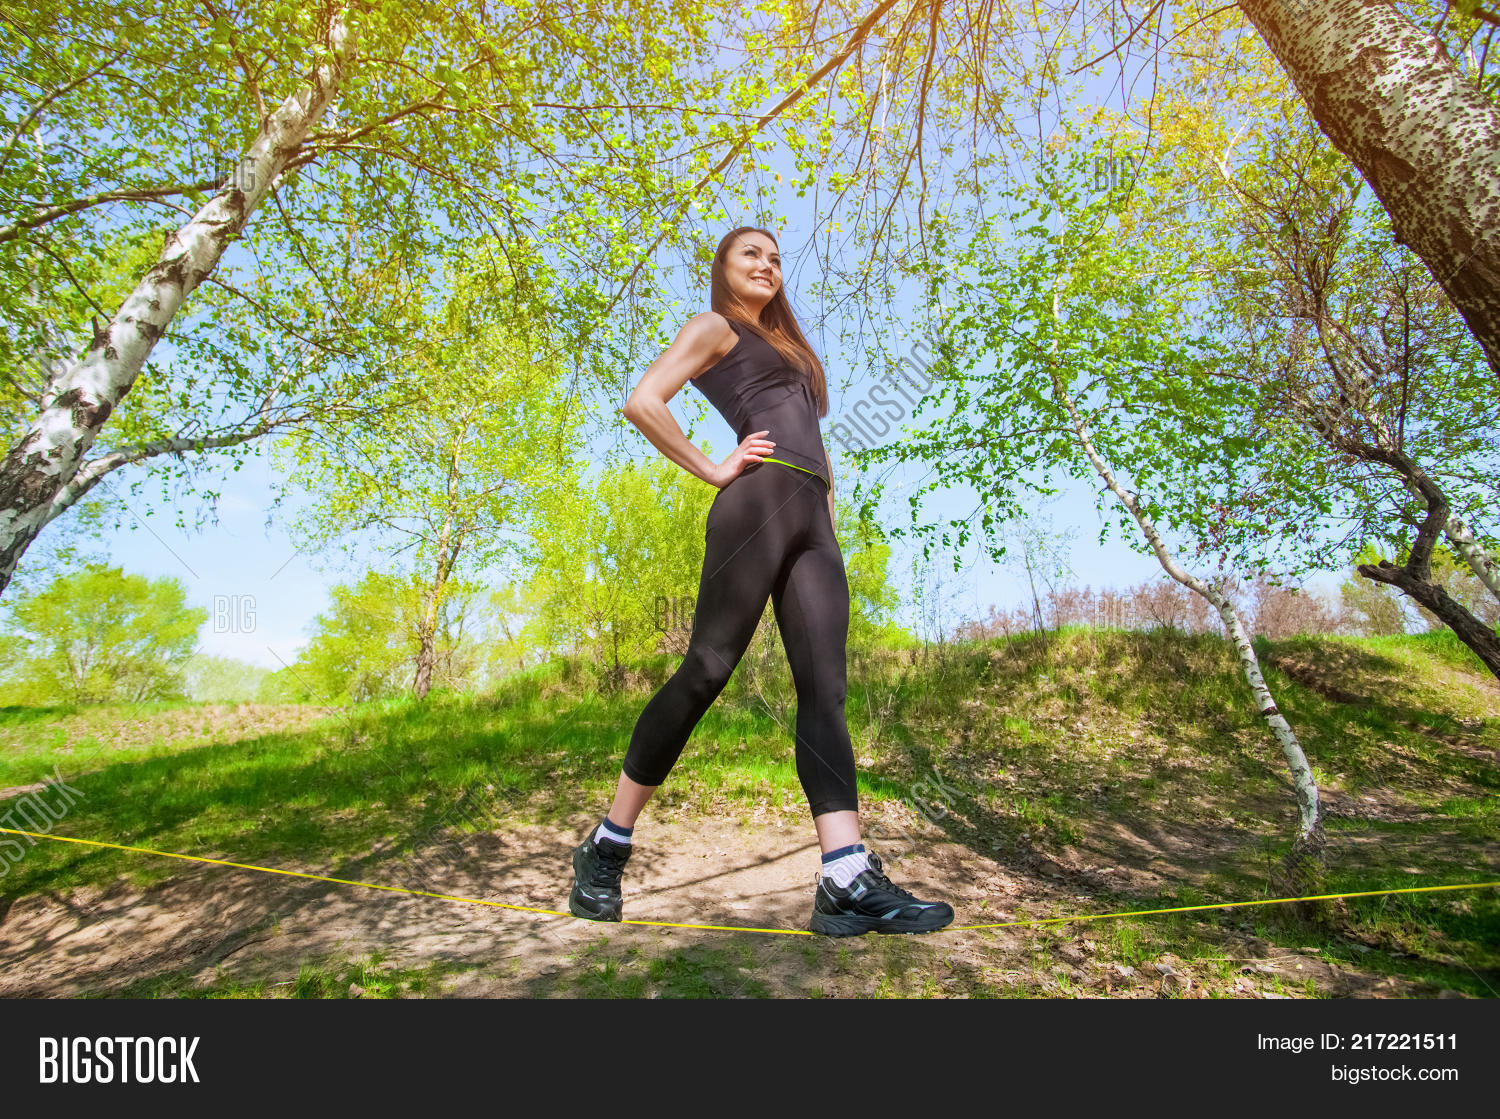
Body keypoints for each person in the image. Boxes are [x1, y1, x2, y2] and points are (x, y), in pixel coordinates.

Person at [567, 226, 954, 937]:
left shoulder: (792, 352)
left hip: (813, 514)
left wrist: (828, 517)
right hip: (756, 501)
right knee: (707, 669)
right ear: (722, 267)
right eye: (751, 253)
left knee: (826, 690)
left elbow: (809, 428)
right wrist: (714, 467)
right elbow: (644, 400)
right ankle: (605, 847)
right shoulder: (712, 326)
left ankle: (844, 875)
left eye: (776, 259)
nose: (767, 265)